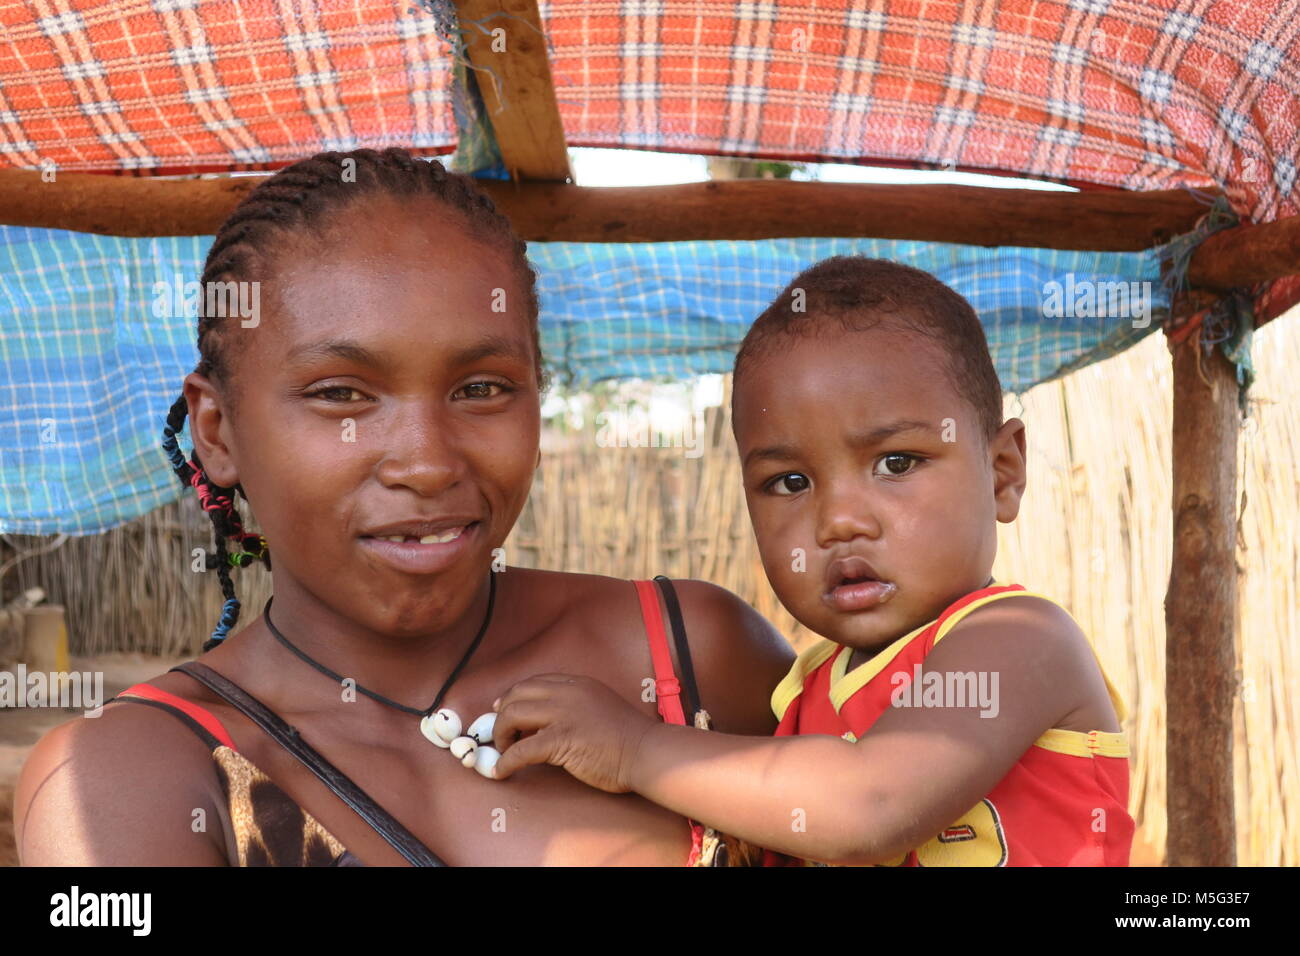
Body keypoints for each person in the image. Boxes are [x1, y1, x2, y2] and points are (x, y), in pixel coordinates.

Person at [14, 147, 793, 867]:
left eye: (480, 388)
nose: (426, 462)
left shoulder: (692, 659)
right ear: (218, 433)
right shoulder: (134, 775)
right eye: (340, 394)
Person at [489, 257, 1136, 867]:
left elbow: (869, 805)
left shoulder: (1020, 641)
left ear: (1003, 473)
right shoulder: (804, 692)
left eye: (897, 463)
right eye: (790, 483)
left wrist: (634, 749)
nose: (838, 521)